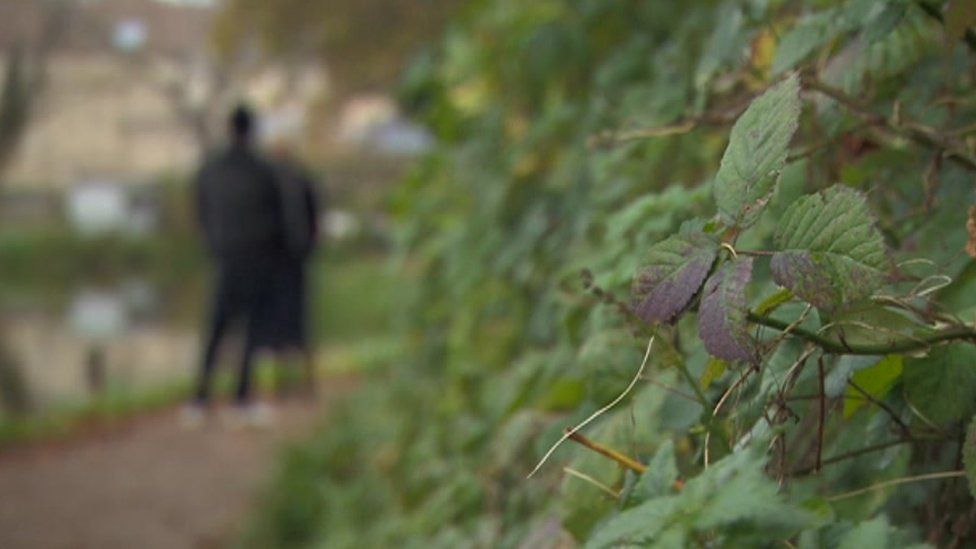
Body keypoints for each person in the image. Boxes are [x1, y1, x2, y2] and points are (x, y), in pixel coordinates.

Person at [188, 105, 283, 424]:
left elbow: (200, 213)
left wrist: (213, 243)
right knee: (251, 330)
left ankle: (200, 398)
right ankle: (241, 399)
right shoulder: (264, 171)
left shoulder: (210, 170)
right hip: (255, 259)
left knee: (216, 329)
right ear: (252, 130)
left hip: (223, 258)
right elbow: (277, 219)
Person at [260, 140, 321, 397]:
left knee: (273, 326)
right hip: (296, 260)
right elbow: (314, 218)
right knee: (299, 322)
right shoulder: (302, 179)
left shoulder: (266, 183)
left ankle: (277, 386)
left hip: (273, 262)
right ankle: (305, 382)